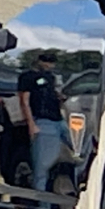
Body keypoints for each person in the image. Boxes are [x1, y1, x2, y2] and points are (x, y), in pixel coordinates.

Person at [18, 50, 65, 192]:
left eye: (51, 62)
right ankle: (42, 204)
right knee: (42, 167)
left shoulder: (50, 77)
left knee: (78, 150)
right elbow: (24, 101)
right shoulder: (27, 77)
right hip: (42, 120)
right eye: (46, 61)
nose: (49, 65)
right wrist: (31, 124)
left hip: (58, 119)